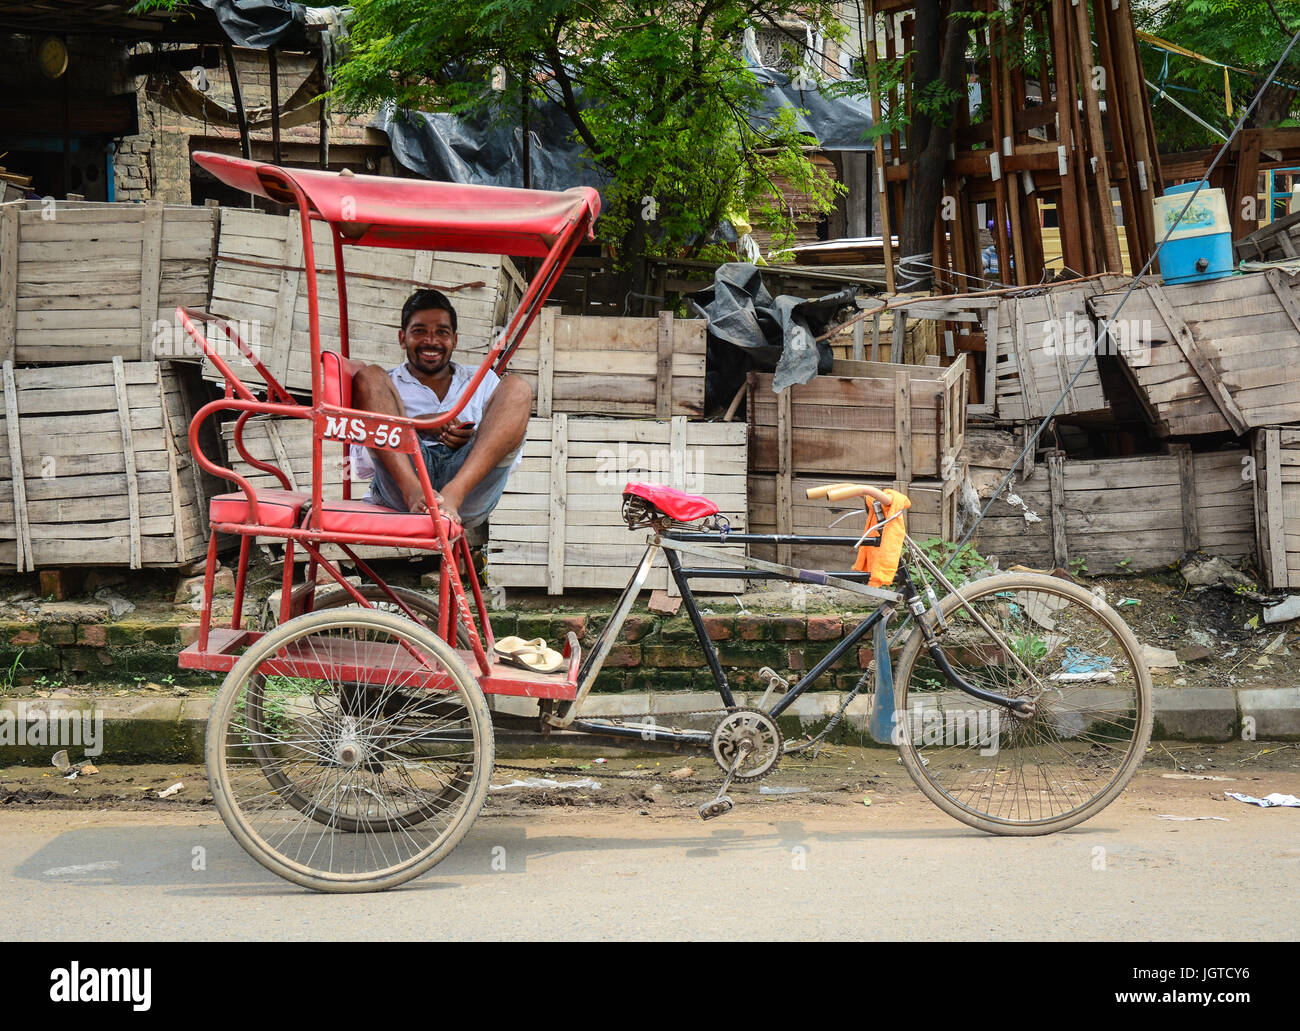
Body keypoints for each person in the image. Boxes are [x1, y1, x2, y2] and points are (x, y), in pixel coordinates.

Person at [350, 288, 531, 529]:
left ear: (454, 340)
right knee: (369, 375)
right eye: (419, 331)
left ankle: (452, 496)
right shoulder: (384, 385)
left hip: (467, 492)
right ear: (402, 338)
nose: (431, 341)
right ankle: (416, 493)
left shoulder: (484, 380)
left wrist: (473, 440)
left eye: (442, 333)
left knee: (517, 387)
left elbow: (511, 460)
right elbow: (361, 464)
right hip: (403, 486)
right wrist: (417, 427)